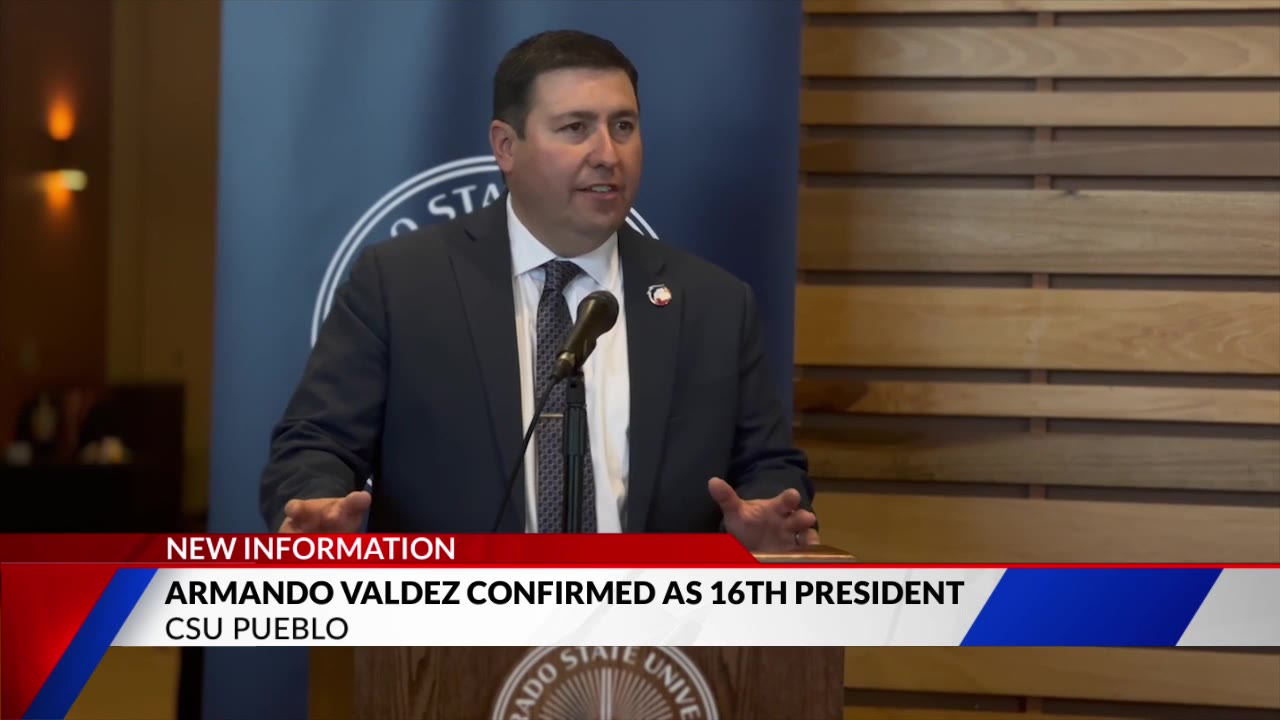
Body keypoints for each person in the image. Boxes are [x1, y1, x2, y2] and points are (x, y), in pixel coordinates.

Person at [260, 29, 818, 552]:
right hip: (450, 631)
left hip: (655, 635)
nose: (607, 153)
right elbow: (318, 442)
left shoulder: (713, 303)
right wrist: (319, 504)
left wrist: (765, 514)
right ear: (506, 146)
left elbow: (768, 466)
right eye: (575, 128)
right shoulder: (400, 283)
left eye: (623, 126)